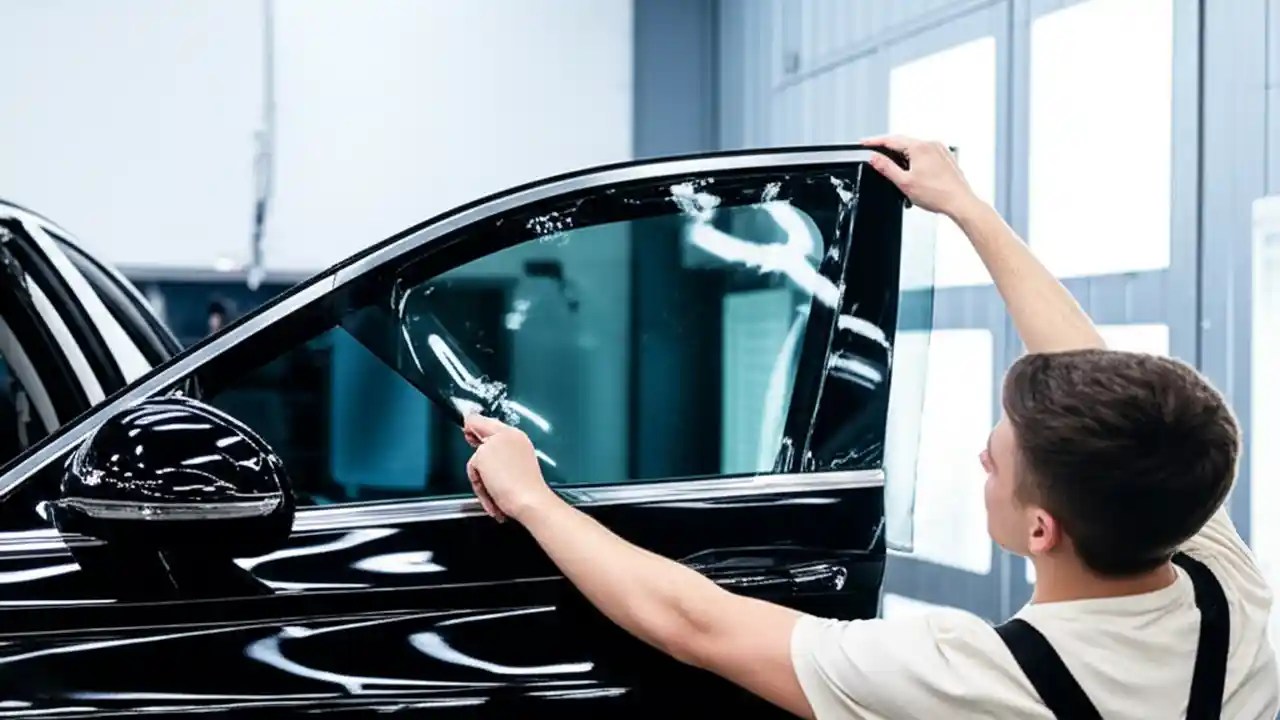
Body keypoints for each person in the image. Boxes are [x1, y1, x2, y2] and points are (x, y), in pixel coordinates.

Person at [460, 135, 1280, 719]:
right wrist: (967, 209)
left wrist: (534, 500)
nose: (981, 457)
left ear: (1042, 528)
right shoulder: (1228, 594)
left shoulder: (972, 679)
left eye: (995, 461)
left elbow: (694, 623)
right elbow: (1092, 374)